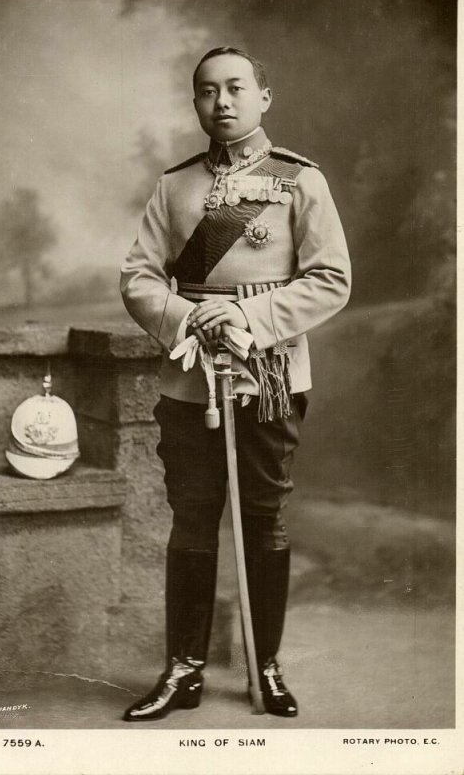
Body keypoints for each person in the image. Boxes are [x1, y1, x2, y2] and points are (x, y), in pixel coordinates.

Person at [120, 46, 351, 721]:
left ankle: (266, 664)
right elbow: (138, 278)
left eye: (235, 88)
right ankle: (183, 668)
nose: (221, 102)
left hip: (269, 374)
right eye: (206, 92)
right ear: (195, 104)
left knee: (264, 517)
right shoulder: (174, 186)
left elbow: (331, 279)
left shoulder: (300, 180)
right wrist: (193, 317)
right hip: (192, 377)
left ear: (264, 97)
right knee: (192, 516)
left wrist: (247, 315)